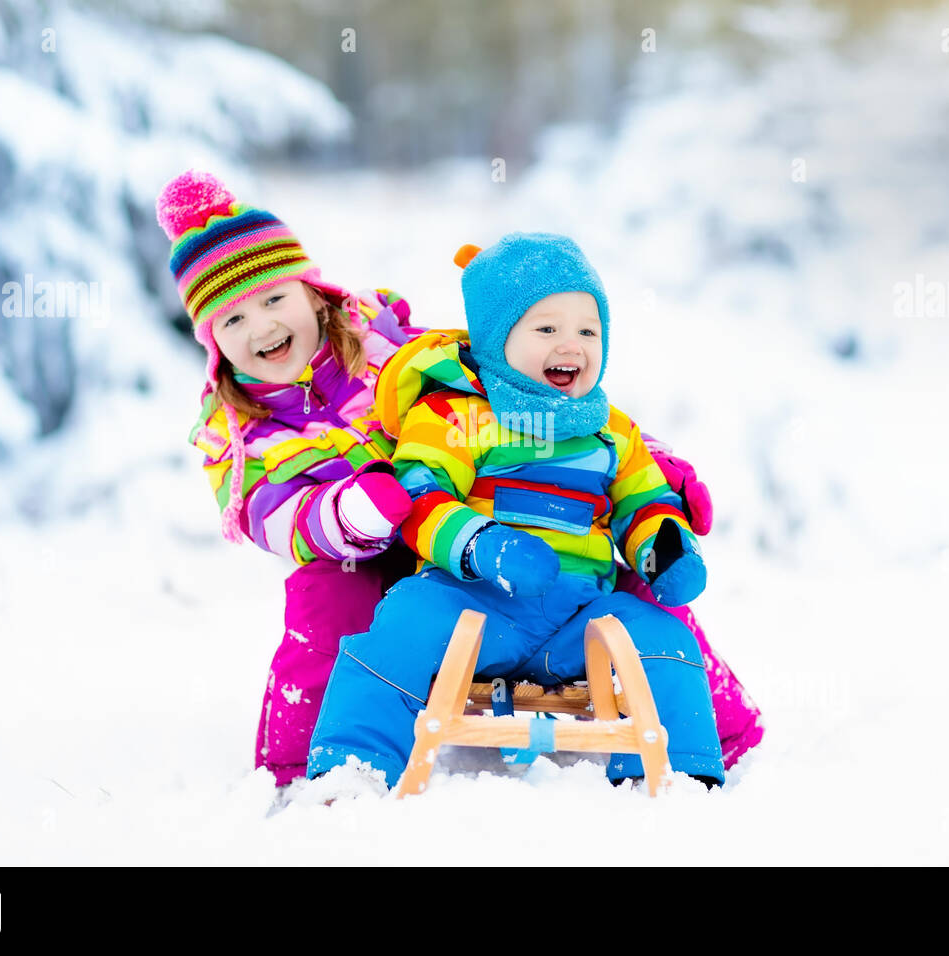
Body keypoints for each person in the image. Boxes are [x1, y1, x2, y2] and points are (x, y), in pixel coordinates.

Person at [305, 233, 727, 793]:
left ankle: (684, 772)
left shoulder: (613, 431)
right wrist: (484, 546)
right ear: (496, 337)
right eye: (546, 329)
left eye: (588, 331)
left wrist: (664, 548)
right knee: (402, 623)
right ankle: (353, 765)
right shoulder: (455, 414)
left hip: (580, 619)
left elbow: (644, 501)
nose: (571, 345)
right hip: (471, 603)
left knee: (662, 638)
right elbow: (421, 496)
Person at [157, 169, 421, 787]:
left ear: (314, 294)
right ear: (214, 343)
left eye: (274, 299)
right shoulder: (238, 432)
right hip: (355, 558)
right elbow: (267, 516)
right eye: (232, 319)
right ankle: (300, 767)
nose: (261, 328)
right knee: (324, 598)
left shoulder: (384, 347)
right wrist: (345, 516)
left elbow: (472, 396)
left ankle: (643, 691)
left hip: (449, 520)